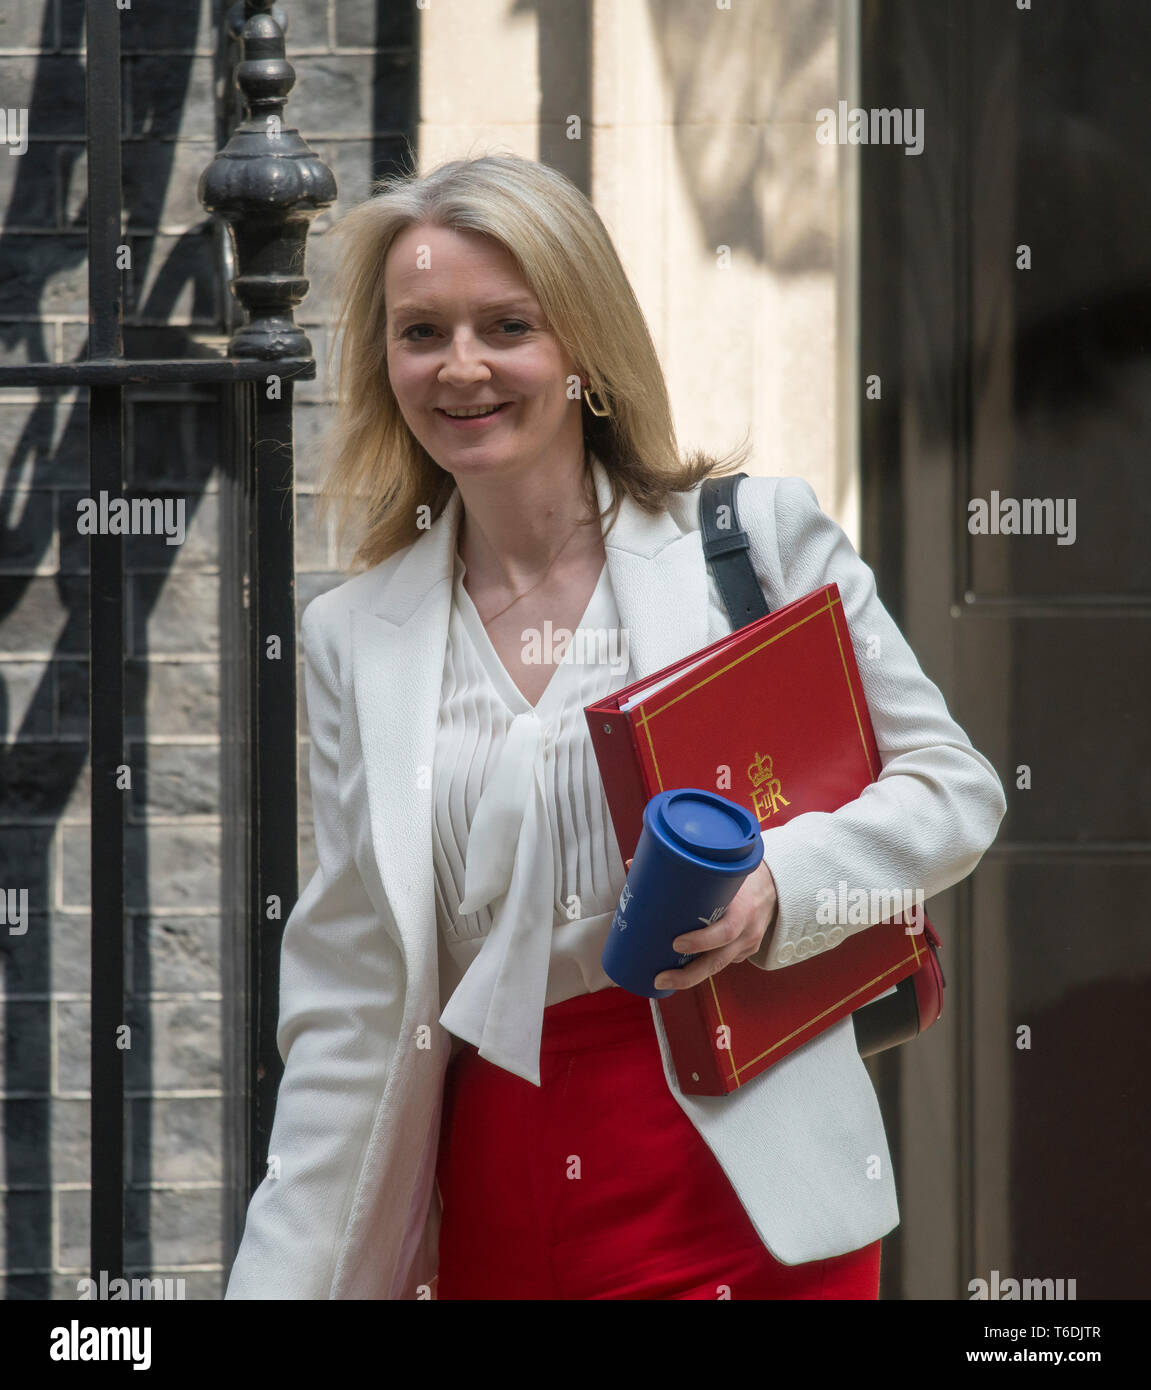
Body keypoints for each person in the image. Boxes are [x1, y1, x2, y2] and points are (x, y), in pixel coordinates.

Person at [223, 153, 1006, 1301]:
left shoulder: (750, 543)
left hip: (742, 1170)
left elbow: (953, 790)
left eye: (506, 325)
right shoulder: (355, 638)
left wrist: (775, 886)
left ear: (582, 345)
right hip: (505, 1175)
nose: (462, 366)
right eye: (421, 332)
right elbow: (351, 1005)